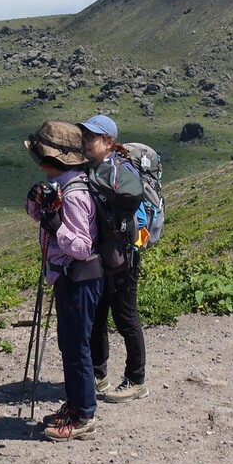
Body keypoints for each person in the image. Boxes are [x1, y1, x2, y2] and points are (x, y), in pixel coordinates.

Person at [24, 120, 105, 441]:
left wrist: (56, 225)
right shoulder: (60, 184)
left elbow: (82, 247)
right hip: (68, 277)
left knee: (76, 348)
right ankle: (75, 405)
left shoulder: (73, 195)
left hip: (79, 278)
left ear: (53, 159)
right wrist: (36, 203)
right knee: (69, 345)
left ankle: (84, 415)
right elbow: (40, 217)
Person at [80, 114, 149, 403]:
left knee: (125, 318)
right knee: (97, 318)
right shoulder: (93, 169)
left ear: (108, 142)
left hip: (124, 259)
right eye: (84, 136)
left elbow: (137, 208)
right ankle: (99, 375)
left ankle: (136, 379)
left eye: (91, 137)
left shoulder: (120, 171)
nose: (85, 142)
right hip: (102, 258)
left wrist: (132, 248)